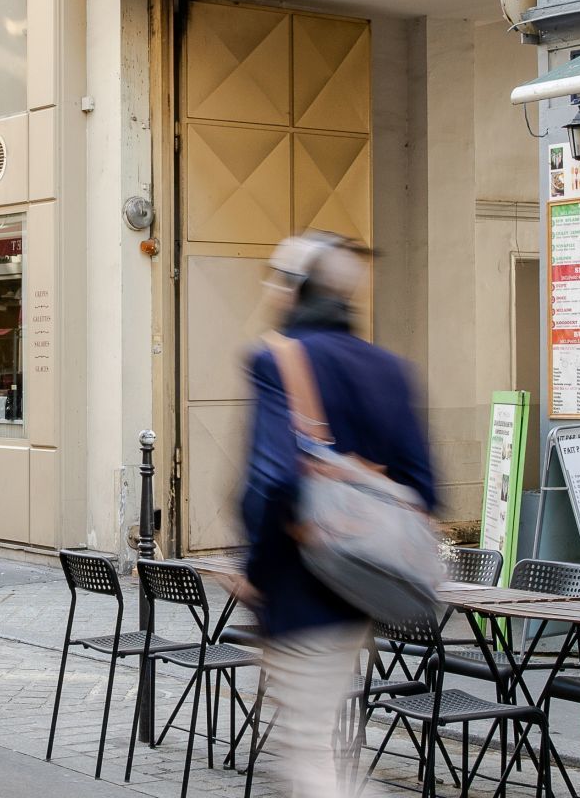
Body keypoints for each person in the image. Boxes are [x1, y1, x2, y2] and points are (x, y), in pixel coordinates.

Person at [238, 232, 435, 798]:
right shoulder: (391, 370)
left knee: (308, 750)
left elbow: (271, 482)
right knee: (317, 740)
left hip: (299, 588)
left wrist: (257, 570)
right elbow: (424, 487)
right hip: (365, 589)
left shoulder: (276, 360)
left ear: (296, 290)